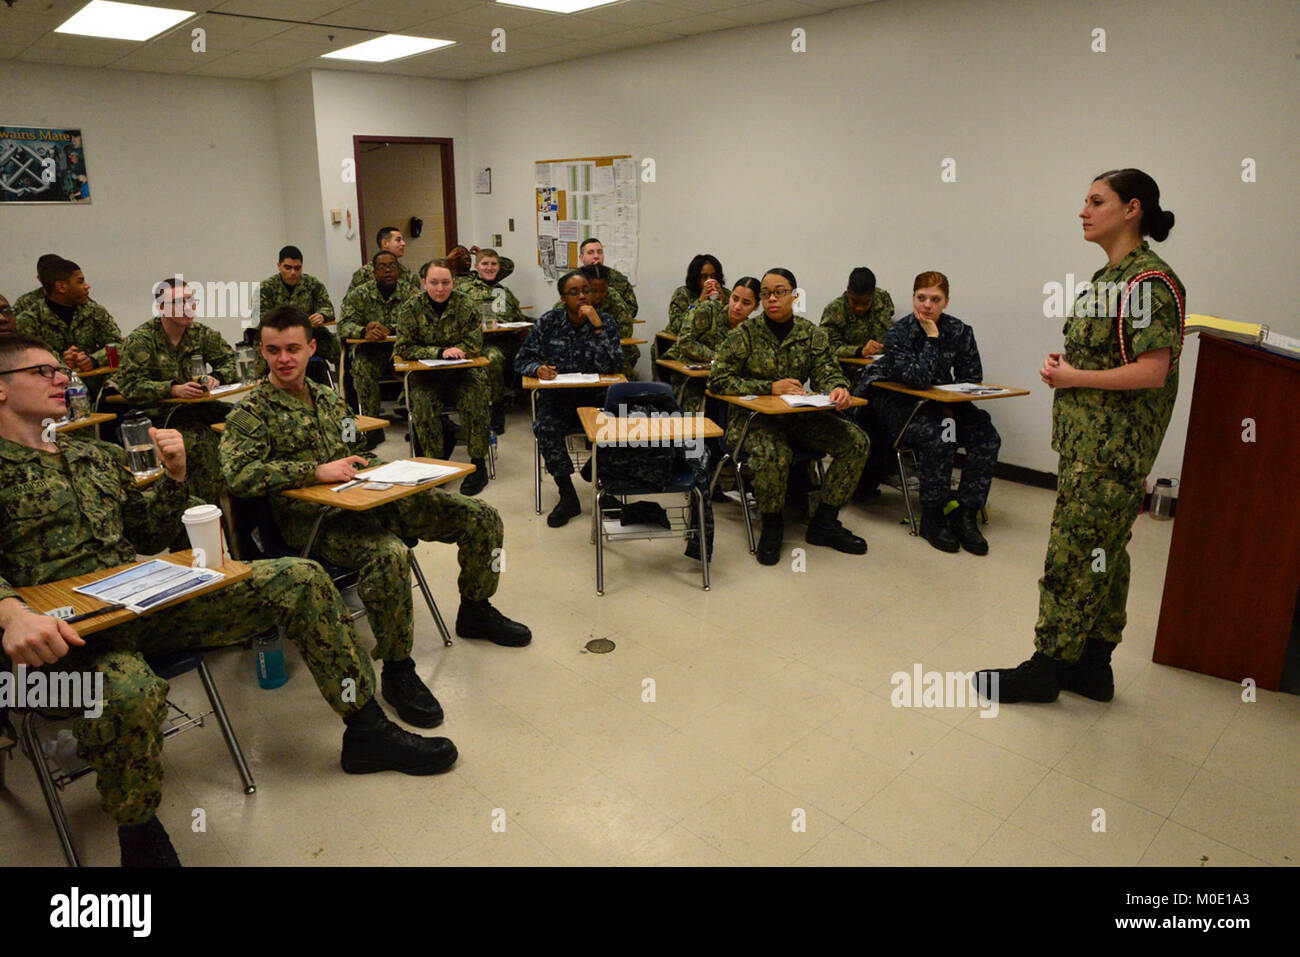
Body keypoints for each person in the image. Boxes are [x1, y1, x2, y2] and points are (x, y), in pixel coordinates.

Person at [0, 334, 458, 867]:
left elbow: (147, 530)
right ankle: (140, 837)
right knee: (127, 691)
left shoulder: (94, 455)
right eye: (44, 372)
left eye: (62, 369)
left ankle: (366, 730)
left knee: (301, 578)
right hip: (60, 638)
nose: (65, 380)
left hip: (138, 598)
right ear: (3, 390)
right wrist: (10, 612)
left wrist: (174, 477)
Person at [975, 168, 1185, 704]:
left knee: (1074, 555)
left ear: (1131, 208)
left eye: (1097, 201)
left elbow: (1152, 369)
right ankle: (1093, 665)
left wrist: (1074, 378)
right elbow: (1108, 357)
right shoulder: (1109, 279)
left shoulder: (1147, 284)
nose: (1083, 211)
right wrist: (1066, 364)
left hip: (1109, 454)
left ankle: (1046, 668)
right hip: (1088, 445)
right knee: (1105, 557)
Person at [221, 306, 531, 666]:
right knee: (390, 555)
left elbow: (357, 451)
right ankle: (399, 667)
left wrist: (397, 474)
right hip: (315, 521)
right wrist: (313, 471)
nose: (283, 359)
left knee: (482, 517)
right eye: (273, 350)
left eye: (293, 349)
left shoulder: (329, 398)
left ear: (311, 348)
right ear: (262, 351)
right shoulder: (251, 412)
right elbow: (238, 476)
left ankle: (476, 609)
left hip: (367, 497)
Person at [708, 267, 869, 565]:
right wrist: (769, 387)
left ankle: (824, 521)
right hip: (752, 421)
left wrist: (837, 387)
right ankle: (772, 524)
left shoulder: (810, 334)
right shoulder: (745, 334)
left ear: (794, 296)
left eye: (779, 292)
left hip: (797, 417)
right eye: (766, 293)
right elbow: (717, 380)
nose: (772, 299)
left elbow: (826, 369)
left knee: (855, 440)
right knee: (774, 452)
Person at [854, 271, 1001, 555]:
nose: (927, 306)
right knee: (940, 435)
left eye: (935, 299)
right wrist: (932, 338)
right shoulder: (899, 333)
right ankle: (932, 517)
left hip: (943, 402)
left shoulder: (959, 330)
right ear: (913, 298)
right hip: (898, 404)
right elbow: (918, 379)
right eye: (921, 298)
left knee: (986, 435)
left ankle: (966, 513)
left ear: (946, 302)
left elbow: (973, 376)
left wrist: (950, 399)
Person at [514, 270, 624, 527]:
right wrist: (537, 369)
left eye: (586, 290)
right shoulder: (549, 322)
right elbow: (522, 359)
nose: (583, 296)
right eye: (575, 292)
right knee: (546, 427)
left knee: (618, 424)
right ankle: (567, 495)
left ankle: (604, 488)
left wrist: (597, 327)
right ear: (563, 299)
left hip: (596, 397)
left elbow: (616, 365)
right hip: (558, 397)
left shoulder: (605, 321)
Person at [114, 278, 236, 508]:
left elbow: (231, 361)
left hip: (198, 409)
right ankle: (198, 508)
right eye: (180, 302)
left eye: (191, 300)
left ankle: (238, 506)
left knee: (243, 419)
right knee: (201, 444)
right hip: (162, 417)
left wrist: (217, 377)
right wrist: (171, 388)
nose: (189, 307)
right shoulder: (141, 340)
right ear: (161, 308)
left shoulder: (200, 334)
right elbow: (129, 386)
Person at [392, 259, 493, 497]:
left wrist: (457, 351)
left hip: (461, 373)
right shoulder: (410, 308)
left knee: (477, 398)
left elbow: (475, 342)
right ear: (423, 282)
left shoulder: (466, 304)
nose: (440, 288)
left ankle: (478, 465)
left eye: (446, 283)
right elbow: (403, 347)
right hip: (426, 377)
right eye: (434, 283)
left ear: (453, 282)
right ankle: (435, 466)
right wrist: (439, 353)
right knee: (423, 403)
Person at [13, 256, 123, 398]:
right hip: (56, 391)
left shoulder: (95, 311)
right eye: (80, 281)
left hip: (100, 386)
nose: (87, 286)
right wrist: (61, 363)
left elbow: (119, 345)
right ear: (61, 287)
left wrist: (94, 360)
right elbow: (31, 361)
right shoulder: (30, 320)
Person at [666, 276, 760, 414]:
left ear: (756, 306)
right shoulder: (707, 311)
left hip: (726, 383)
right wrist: (718, 358)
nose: (738, 306)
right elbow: (685, 342)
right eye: (735, 299)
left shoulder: (751, 330)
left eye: (746, 303)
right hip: (691, 380)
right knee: (697, 414)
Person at [457, 247, 526, 433]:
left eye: (494, 264)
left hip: (506, 339)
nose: (489, 268)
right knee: (494, 358)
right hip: (480, 343)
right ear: (476, 266)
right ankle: (496, 407)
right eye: (485, 264)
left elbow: (517, 317)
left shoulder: (504, 291)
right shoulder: (464, 290)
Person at [338, 250, 407, 426]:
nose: (388, 271)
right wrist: (363, 331)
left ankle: (411, 412)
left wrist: (390, 329)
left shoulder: (410, 292)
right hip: (372, 351)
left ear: (398, 270)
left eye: (392, 266)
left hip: (402, 349)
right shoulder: (360, 294)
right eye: (382, 267)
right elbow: (343, 325)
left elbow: (421, 322)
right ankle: (371, 422)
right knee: (361, 367)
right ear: (374, 272)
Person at [257, 244, 339, 367]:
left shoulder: (312, 284)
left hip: (309, 334)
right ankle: (265, 382)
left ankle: (342, 383)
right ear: (279, 266)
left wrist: (322, 315)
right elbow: (261, 318)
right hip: (278, 337)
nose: (293, 272)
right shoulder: (266, 288)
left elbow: (327, 307)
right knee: (260, 351)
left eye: (297, 268)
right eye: (288, 268)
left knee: (339, 347)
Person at [552, 264, 637, 379]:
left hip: (605, 348)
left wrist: (600, 328)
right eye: (593, 290)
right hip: (572, 352)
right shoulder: (570, 302)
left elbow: (625, 331)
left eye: (602, 291)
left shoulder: (614, 299)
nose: (597, 295)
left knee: (625, 368)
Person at [819, 267, 895, 389]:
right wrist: (859, 351)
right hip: (849, 375)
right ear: (848, 292)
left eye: (866, 303)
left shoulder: (882, 300)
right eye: (855, 302)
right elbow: (826, 348)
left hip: (882, 369)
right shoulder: (835, 310)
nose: (860, 308)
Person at [347, 226, 421, 298]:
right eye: (398, 240)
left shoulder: (407, 275)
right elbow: (350, 302)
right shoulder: (363, 274)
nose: (403, 243)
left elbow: (418, 302)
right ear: (385, 243)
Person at [667, 254, 729, 336]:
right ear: (696, 278)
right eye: (704, 277)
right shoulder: (682, 294)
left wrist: (724, 304)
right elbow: (676, 326)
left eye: (713, 276)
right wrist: (698, 303)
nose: (709, 280)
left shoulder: (726, 294)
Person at [578, 238, 638, 317]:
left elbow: (632, 308)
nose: (596, 256)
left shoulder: (617, 278)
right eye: (590, 253)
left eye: (599, 252)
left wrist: (607, 318)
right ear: (581, 258)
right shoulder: (574, 279)